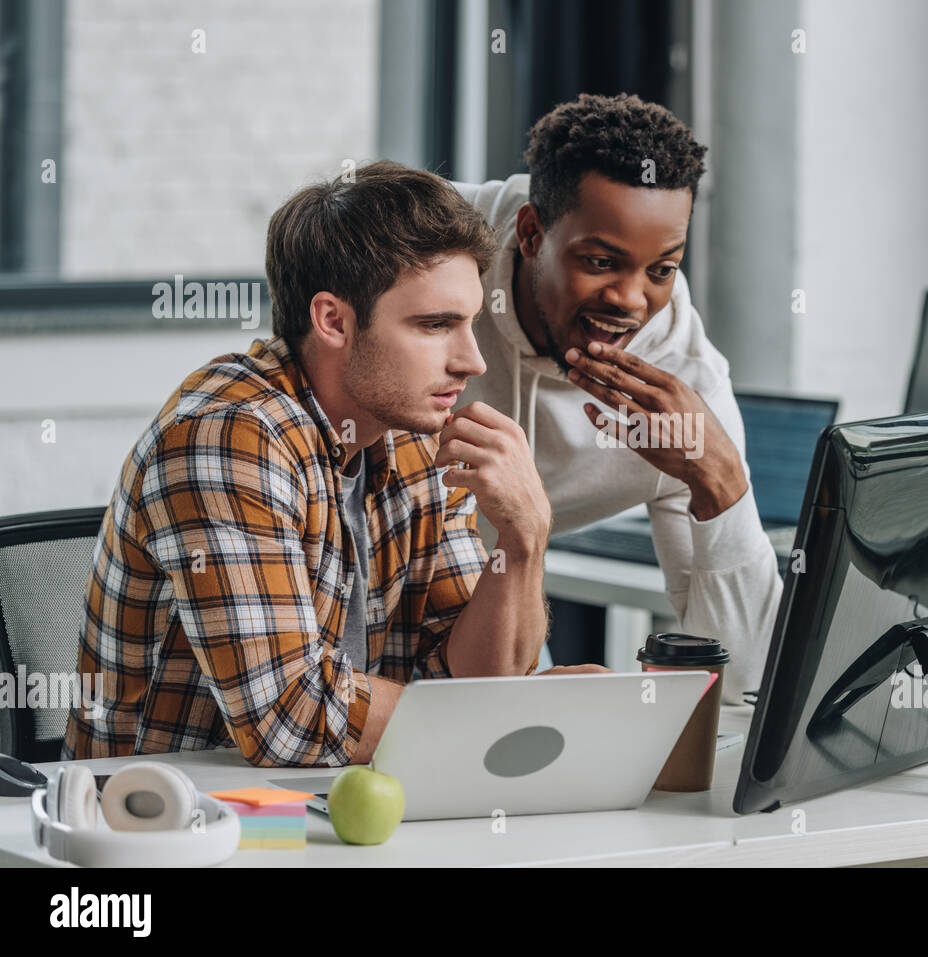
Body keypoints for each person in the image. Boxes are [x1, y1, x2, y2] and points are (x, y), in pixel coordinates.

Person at [63, 161, 596, 769]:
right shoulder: (226, 436)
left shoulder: (416, 436)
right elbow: (292, 720)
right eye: (435, 325)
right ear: (333, 320)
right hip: (169, 813)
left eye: (469, 323)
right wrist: (508, 715)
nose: (472, 361)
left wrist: (525, 536)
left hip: (351, 798)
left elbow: (472, 675)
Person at [455, 93, 781, 704]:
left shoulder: (683, 388)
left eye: (661, 269)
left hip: (497, 614)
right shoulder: (429, 243)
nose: (630, 300)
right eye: (602, 261)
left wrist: (721, 480)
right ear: (531, 233)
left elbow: (744, 683)